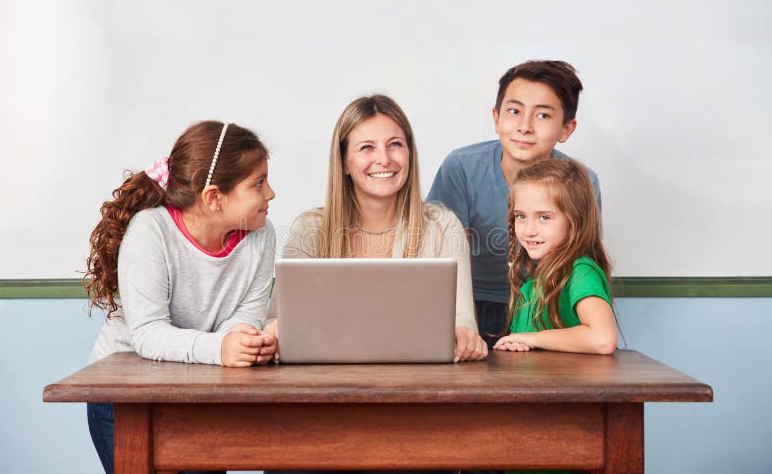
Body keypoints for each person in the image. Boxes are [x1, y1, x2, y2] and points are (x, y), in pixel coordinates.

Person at [83, 120, 277, 474]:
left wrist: (242, 341)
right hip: (126, 396)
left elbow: (247, 313)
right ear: (214, 198)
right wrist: (220, 348)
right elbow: (148, 333)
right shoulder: (151, 232)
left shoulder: (260, 236)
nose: (271, 194)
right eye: (258, 184)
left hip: (199, 389)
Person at [264, 94, 487, 364]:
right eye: (366, 148)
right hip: (327, 379)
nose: (384, 159)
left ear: (409, 153)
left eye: (395, 145)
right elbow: (277, 318)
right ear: (344, 162)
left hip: (420, 380)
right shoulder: (311, 228)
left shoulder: (442, 226)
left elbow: (463, 317)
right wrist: (275, 333)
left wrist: (464, 334)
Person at [427, 60, 601, 347]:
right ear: (496, 118)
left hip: (544, 303)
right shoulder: (461, 167)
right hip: (470, 304)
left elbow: (578, 261)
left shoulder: (582, 181)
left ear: (566, 129)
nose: (524, 126)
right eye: (514, 111)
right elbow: (442, 253)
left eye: (543, 115)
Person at [493, 157, 617, 355]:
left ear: (575, 220)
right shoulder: (531, 284)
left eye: (544, 217)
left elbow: (603, 339)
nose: (529, 230)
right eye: (521, 216)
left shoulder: (581, 272)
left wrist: (532, 339)